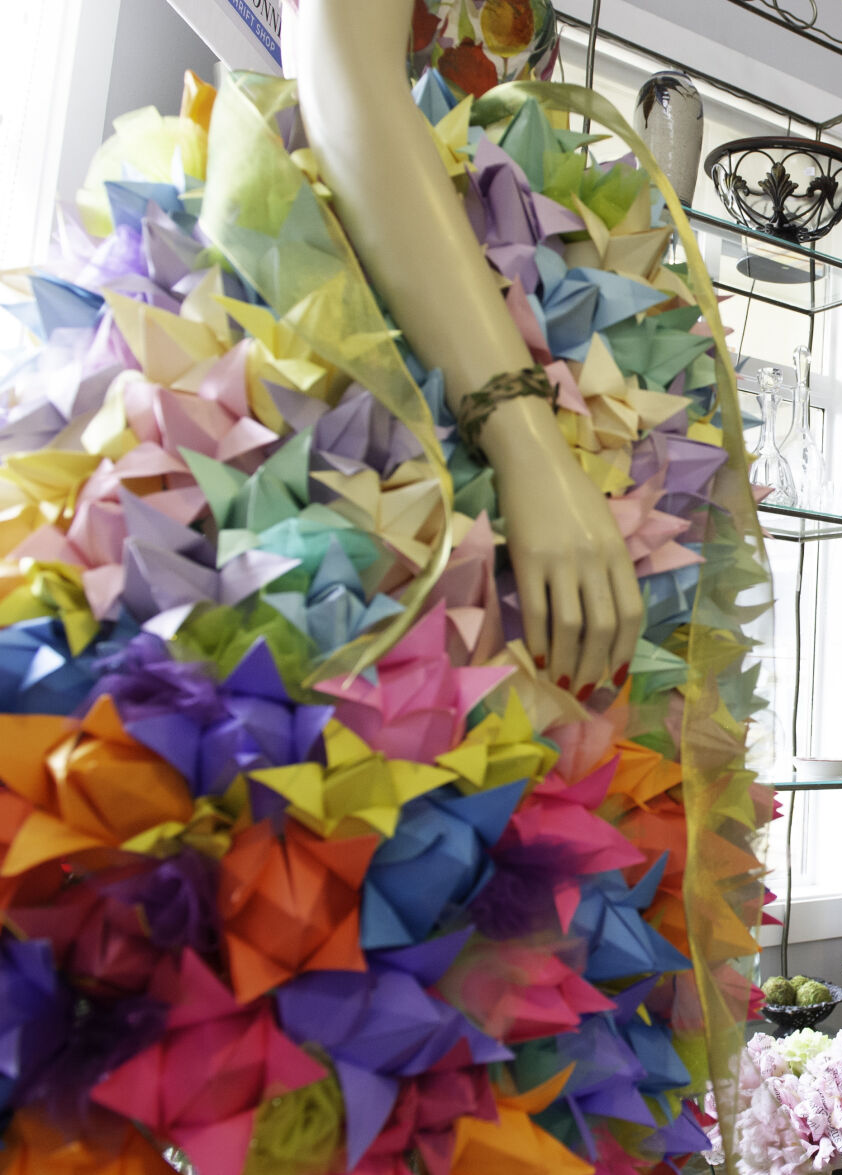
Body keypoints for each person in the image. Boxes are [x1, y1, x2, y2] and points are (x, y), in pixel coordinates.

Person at [0, 0, 765, 1166]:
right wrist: (521, 433)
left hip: (435, 317)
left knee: (460, 960)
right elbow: (340, 67)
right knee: (343, 925)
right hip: (375, 374)